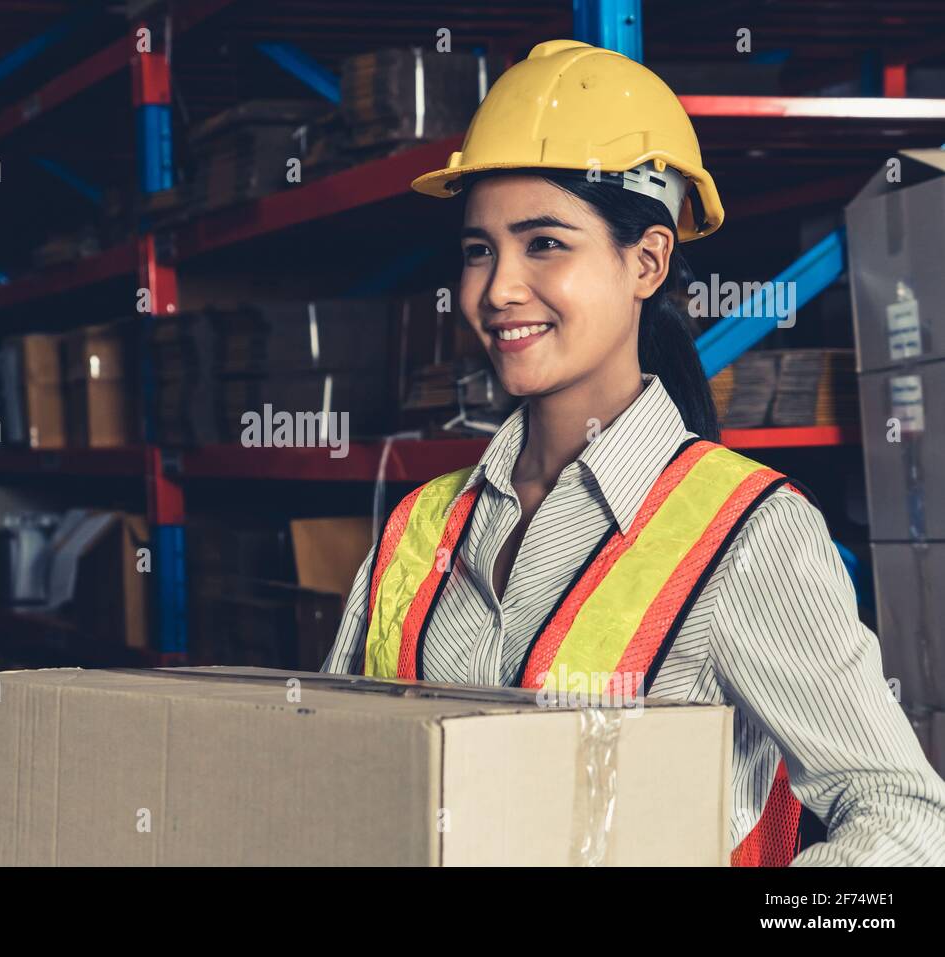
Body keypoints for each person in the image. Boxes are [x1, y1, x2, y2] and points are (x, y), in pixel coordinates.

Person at [322, 40, 945, 866]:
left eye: (545, 243)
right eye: (479, 249)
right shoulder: (417, 528)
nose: (498, 287)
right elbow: (328, 762)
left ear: (646, 260)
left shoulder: (749, 534)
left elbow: (905, 818)